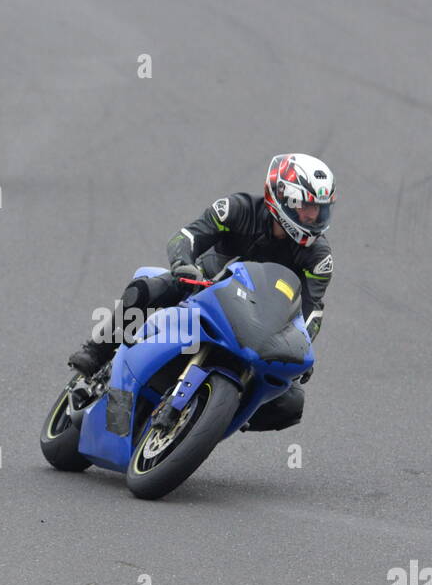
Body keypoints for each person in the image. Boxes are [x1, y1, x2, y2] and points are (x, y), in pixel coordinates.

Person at [68, 154, 337, 431]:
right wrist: (183, 265)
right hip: (204, 289)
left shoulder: (319, 258)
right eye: (307, 207)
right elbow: (186, 236)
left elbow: (312, 310)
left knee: (290, 402)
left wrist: (301, 344)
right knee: (148, 289)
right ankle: (96, 352)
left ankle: (224, 413)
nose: (313, 216)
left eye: (320, 209)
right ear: (283, 198)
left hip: (258, 327)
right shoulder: (237, 209)